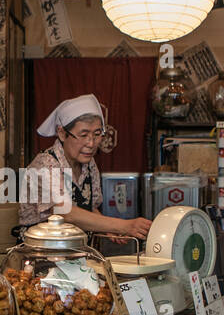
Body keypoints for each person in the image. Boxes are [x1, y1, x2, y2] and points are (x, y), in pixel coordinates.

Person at [19, 94, 152, 241]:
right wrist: (123, 226)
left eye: (96, 134)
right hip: (41, 253)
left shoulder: (89, 164)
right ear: (62, 133)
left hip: (77, 251)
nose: (91, 143)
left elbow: (90, 208)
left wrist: (109, 230)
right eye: (83, 135)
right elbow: (65, 212)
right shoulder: (44, 165)